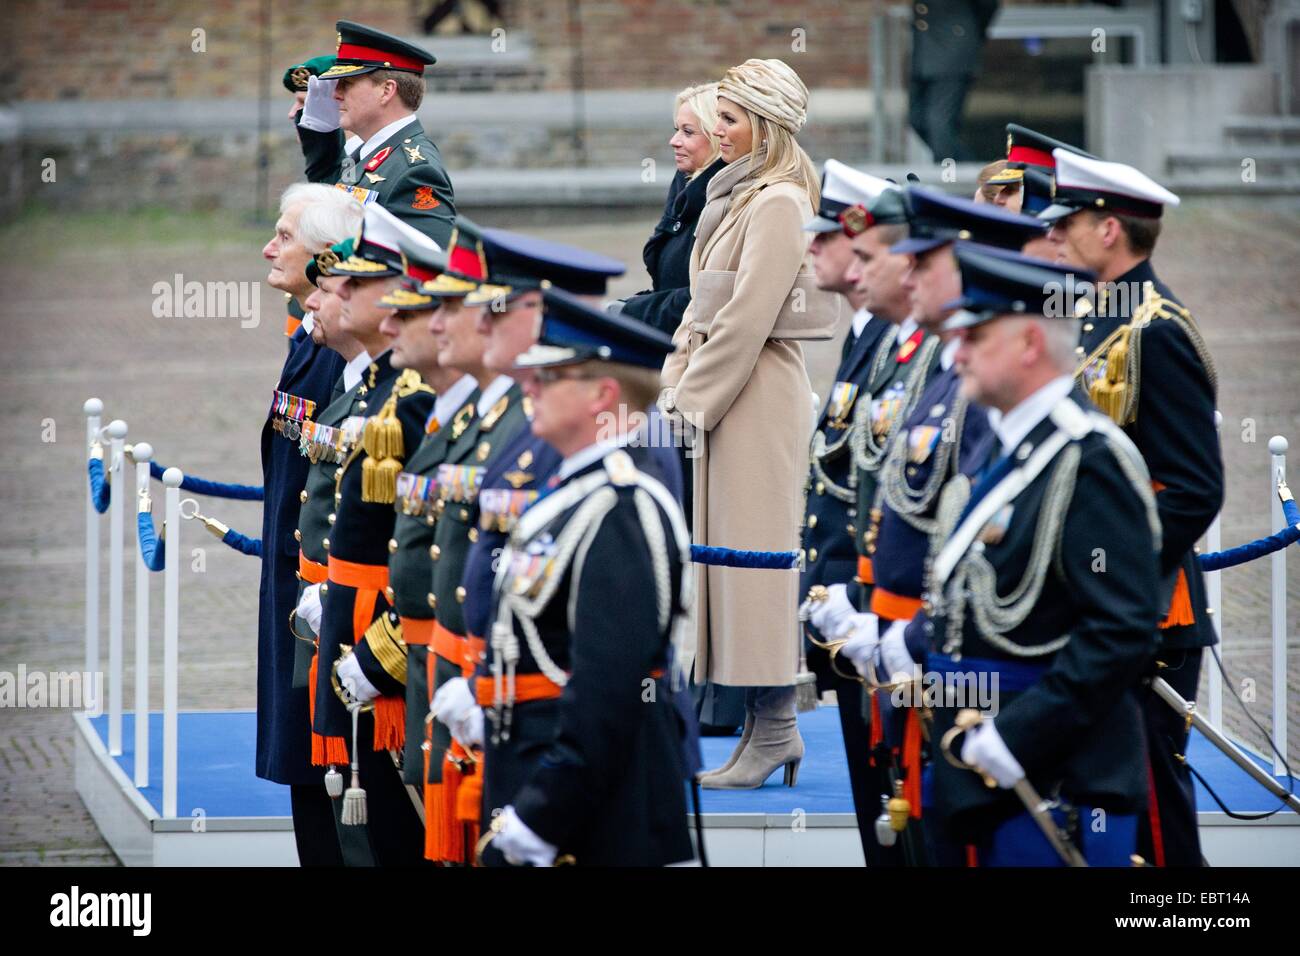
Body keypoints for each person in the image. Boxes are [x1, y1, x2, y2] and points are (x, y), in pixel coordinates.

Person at [921, 245, 1160, 866]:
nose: (958, 349)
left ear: (1030, 343)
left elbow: (1120, 631)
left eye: (976, 333)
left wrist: (1018, 735)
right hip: (972, 762)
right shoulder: (1007, 443)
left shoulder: (1091, 458)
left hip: (1049, 777)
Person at [421, 222, 628, 863]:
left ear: (539, 312)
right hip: (512, 704)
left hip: (557, 728)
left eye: (494, 309)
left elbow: (608, 659)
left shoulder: (603, 446)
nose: (478, 325)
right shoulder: (529, 424)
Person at [466, 288, 695, 867]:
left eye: (551, 377)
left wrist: (546, 812)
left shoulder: (622, 506)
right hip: (538, 773)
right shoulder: (575, 494)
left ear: (604, 395)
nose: (529, 387)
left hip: (590, 810)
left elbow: (608, 690)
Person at [660, 58, 841, 789]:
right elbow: (699, 311)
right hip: (722, 393)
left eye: (731, 119)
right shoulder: (737, 195)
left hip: (755, 400)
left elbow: (744, 322)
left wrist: (684, 406)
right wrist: (675, 388)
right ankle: (766, 731)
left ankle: (775, 732)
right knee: (726, 566)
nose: (719, 131)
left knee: (753, 568)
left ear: (766, 126)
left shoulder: (777, 202)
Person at [1042, 149, 1223, 866]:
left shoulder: (1156, 329)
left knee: (1153, 808)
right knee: (1103, 801)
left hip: (1148, 608)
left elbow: (1193, 488)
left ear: (1109, 229)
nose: (1054, 235)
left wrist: (1112, 571)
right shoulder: (1095, 314)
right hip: (1104, 602)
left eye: (1070, 222)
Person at [328, 236, 480, 842]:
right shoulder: (427, 406)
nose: (395, 322)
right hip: (418, 658)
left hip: (442, 667)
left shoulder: (438, 412)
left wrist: (379, 652)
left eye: (413, 310)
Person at [306, 203, 437, 866]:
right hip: (345, 617)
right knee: (359, 824)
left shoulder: (410, 398)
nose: (332, 294)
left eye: (353, 284)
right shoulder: (375, 392)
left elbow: (427, 543)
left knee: (391, 830)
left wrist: (381, 654)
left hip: (381, 632)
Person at [794, 162, 900, 852]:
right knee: (878, 811)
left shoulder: (892, 344)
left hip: (880, 613)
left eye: (831, 240)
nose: (813, 250)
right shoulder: (866, 340)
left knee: (894, 813)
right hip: (852, 608)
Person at [255, 184, 360, 866]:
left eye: (286, 237)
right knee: (303, 761)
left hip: (319, 585)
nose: (270, 247)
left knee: (326, 775)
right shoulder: (310, 339)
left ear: (327, 260)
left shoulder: (330, 348)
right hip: (296, 576)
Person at [290, 237, 381, 866]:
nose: (315, 302)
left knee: (378, 823)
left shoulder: (393, 404)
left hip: (374, 638)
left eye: (334, 290)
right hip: (335, 620)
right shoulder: (358, 388)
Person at [296, 20, 457, 245]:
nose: (335, 94)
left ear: (386, 90)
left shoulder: (415, 172)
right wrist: (321, 134)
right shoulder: (371, 153)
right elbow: (327, 201)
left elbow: (428, 264)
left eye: (347, 84)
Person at [621, 82, 723, 336]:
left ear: (717, 136)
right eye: (677, 130)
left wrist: (631, 311)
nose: (673, 141)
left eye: (688, 132)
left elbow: (709, 299)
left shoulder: (727, 200)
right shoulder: (686, 184)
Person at [908, 0, 999, 162]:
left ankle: (948, 178)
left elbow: (988, 5)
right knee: (917, 118)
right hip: (924, 52)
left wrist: (967, 32)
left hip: (952, 49)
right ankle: (968, 167)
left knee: (939, 125)